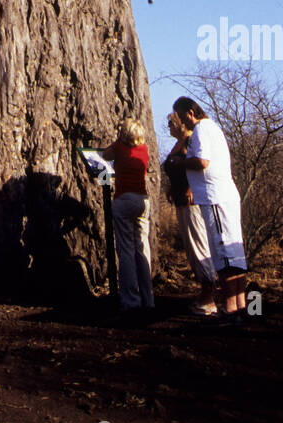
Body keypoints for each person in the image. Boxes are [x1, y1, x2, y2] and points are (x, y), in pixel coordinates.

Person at [167, 97, 248, 320]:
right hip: (224, 196)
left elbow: (202, 162)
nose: (185, 123)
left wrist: (180, 163)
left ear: (192, 112)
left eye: (184, 118)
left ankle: (230, 309)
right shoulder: (213, 128)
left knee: (224, 254)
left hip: (215, 198)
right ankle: (240, 307)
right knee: (234, 253)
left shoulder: (202, 129)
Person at [163, 111, 218, 315]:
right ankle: (205, 291)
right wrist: (172, 188)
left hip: (192, 202)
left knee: (199, 246)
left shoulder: (191, 142)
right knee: (191, 248)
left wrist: (191, 189)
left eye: (172, 123)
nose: (169, 126)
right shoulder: (178, 145)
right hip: (179, 201)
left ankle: (209, 296)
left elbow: (200, 166)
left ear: (182, 124)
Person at [99, 117, 154, 313]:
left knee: (127, 251)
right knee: (142, 249)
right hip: (143, 200)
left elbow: (104, 156)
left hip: (124, 199)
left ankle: (131, 300)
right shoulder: (145, 149)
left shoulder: (119, 147)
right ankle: (148, 298)